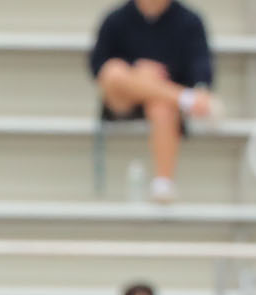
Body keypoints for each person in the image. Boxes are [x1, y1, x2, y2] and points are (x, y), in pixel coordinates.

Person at [89, 0, 219, 203]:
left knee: (161, 106)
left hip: (164, 104)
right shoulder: (116, 19)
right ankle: (183, 97)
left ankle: (163, 181)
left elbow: (200, 62)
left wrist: (200, 87)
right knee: (113, 71)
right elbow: (98, 66)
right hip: (123, 98)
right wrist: (137, 70)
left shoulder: (190, 21)